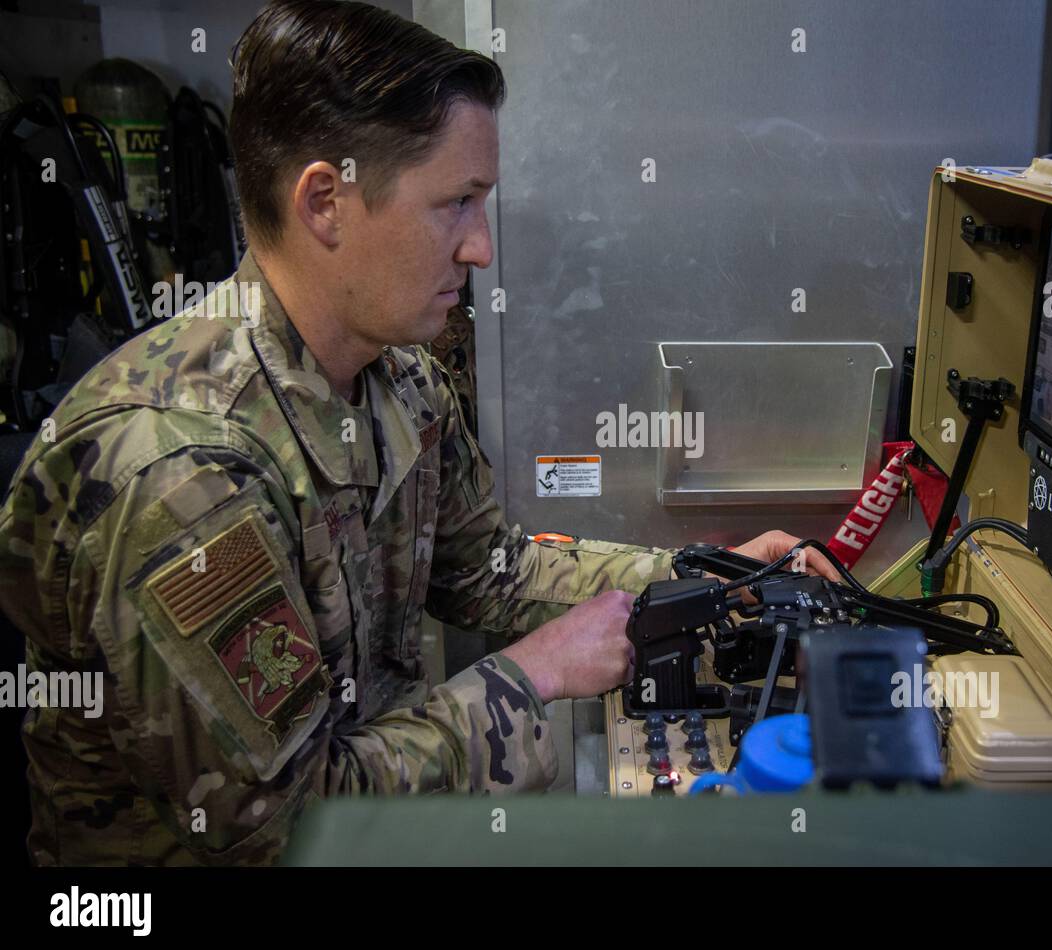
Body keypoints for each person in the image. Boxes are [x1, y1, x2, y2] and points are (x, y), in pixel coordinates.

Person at [0, 0, 836, 865]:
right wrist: (533, 674)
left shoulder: (399, 380)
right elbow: (279, 828)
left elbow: (489, 570)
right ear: (326, 202)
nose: (480, 249)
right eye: (457, 204)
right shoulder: (178, 474)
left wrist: (709, 582)